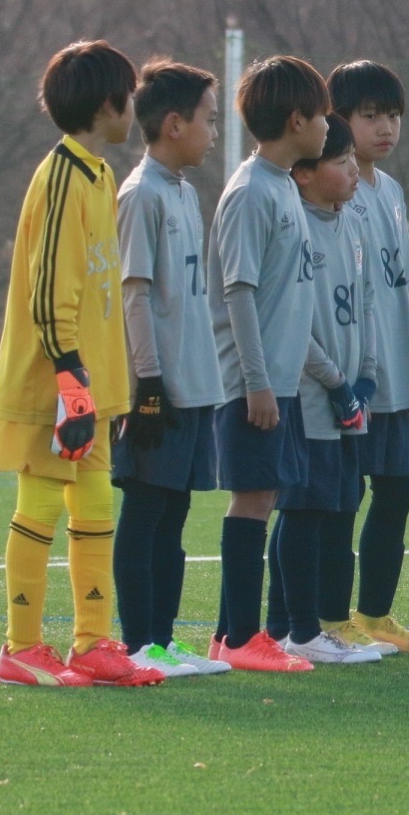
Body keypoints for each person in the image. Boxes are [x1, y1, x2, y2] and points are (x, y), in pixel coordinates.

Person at [0, 39, 160, 687]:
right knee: (39, 499)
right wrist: (70, 374)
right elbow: (48, 288)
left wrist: (108, 384)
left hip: (92, 381)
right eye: (130, 98)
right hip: (56, 380)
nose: (134, 110)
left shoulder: (99, 174)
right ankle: (21, 647)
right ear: (107, 104)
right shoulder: (61, 174)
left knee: (93, 504)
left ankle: (92, 642)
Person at [208, 55, 331, 673]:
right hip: (253, 384)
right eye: (322, 115)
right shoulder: (252, 190)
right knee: (252, 501)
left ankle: (226, 637)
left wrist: (314, 376)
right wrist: (256, 382)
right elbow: (239, 293)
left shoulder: (283, 185)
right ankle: (241, 639)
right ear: (296, 120)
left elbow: (287, 300)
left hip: (283, 382)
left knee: (265, 497)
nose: (328, 126)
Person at [112, 59, 233, 678]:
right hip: (158, 388)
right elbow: (134, 295)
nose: (214, 133)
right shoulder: (141, 194)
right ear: (173, 124)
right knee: (146, 513)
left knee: (175, 517)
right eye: (208, 120)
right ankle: (138, 645)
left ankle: (162, 642)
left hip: (194, 384)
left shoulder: (184, 191)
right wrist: (148, 383)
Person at [330, 60, 409, 654]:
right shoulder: (334, 192)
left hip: (395, 374)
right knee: (342, 496)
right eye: (371, 115)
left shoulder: (394, 192)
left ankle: (375, 615)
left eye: (393, 116)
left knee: (397, 489)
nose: (385, 128)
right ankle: (328, 619)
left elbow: (400, 289)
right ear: (338, 119)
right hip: (354, 372)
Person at [266, 113, 383, 665]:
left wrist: (366, 375)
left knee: (334, 510)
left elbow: (365, 305)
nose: (354, 170)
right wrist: (336, 382)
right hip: (310, 397)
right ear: (305, 173)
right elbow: (295, 323)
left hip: (347, 398)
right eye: (340, 161)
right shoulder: (295, 226)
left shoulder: (353, 224)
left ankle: (301, 627)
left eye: (353, 159)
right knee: (303, 510)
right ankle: (294, 628)